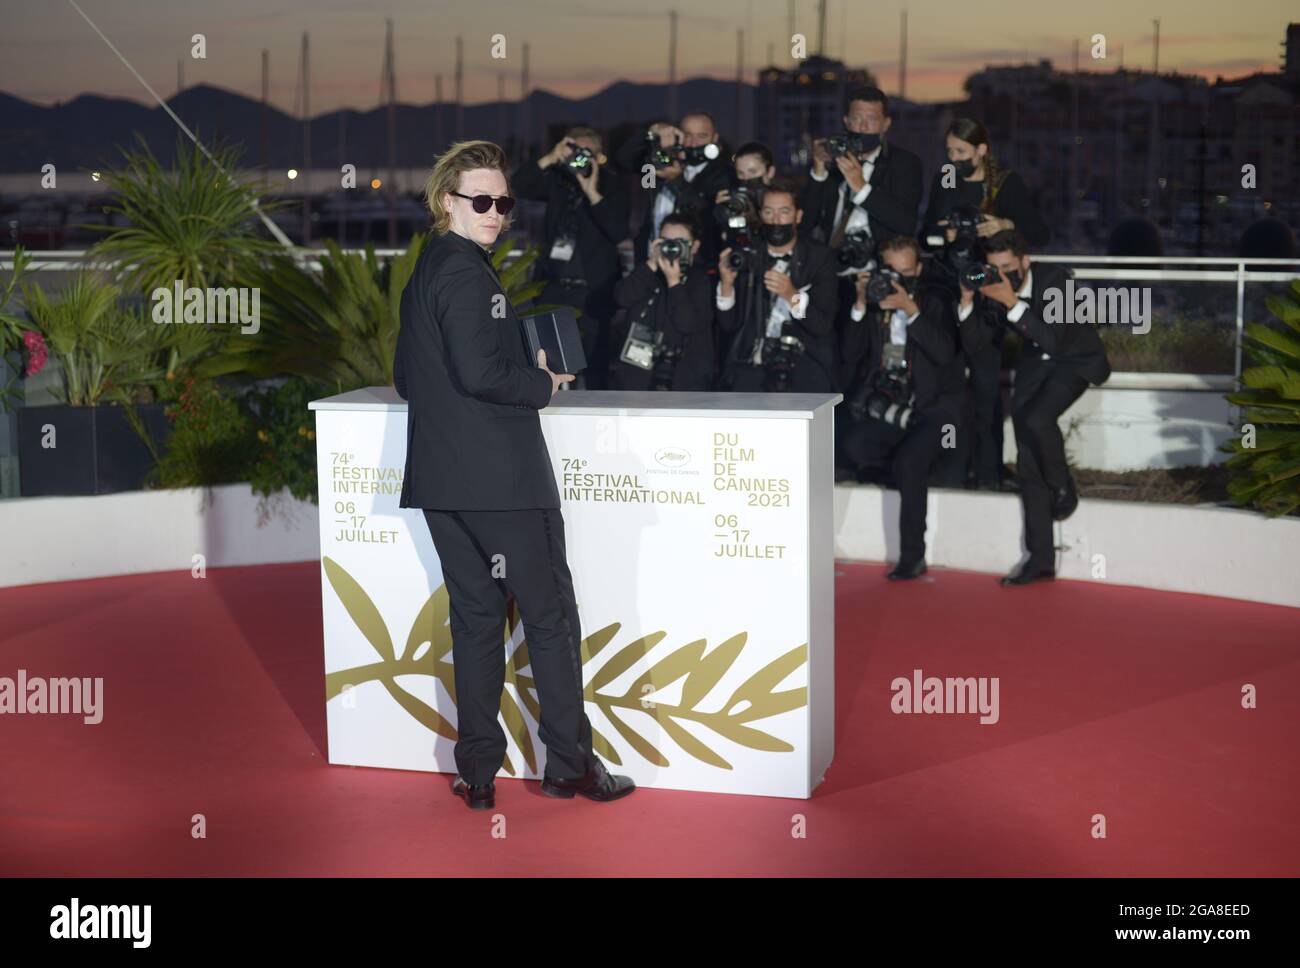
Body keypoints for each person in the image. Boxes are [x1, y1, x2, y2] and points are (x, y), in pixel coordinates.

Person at [392, 140, 635, 808]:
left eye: (503, 201)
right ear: (448, 201)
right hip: (502, 486)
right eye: (481, 200)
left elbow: (407, 379)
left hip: (444, 486)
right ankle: (570, 767)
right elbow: (482, 375)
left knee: (475, 623)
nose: (496, 212)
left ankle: (477, 773)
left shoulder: (424, 272)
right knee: (550, 618)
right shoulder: (467, 273)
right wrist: (544, 383)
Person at [957, 230, 1111, 586]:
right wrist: (967, 301)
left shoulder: (1057, 278)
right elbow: (975, 343)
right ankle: (1039, 560)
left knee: (1038, 418)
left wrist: (1012, 303)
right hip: (1036, 365)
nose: (1003, 274)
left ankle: (1063, 487)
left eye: (1009, 266)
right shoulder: (991, 285)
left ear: (1025, 261)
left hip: (1074, 360)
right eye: (995, 267)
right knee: (1027, 455)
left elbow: (1055, 338)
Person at [924, 118, 1051, 490]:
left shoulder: (1005, 183)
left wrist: (1004, 225)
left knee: (985, 389)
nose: (953, 159)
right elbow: (925, 231)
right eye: (949, 151)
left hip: (988, 296)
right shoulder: (946, 178)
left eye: (961, 152)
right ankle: (951, 468)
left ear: (981, 150)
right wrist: (943, 232)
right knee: (948, 387)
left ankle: (989, 474)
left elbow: (1039, 233)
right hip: (948, 290)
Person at [838, 236, 965, 579]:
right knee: (853, 445)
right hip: (891, 408)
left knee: (910, 464)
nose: (896, 282)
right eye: (891, 273)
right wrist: (862, 303)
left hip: (935, 410)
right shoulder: (874, 304)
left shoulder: (936, 301)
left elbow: (944, 354)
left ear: (919, 270)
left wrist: (911, 310)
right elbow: (850, 355)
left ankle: (913, 556)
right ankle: (904, 468)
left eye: (906, 273)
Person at [511, 126, 630, 389]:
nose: (580, 157)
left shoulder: (613, 183)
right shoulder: (558, 180)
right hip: (554, 288)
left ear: (599, 155)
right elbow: (517, 186)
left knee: (595, 367)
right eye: (574, 150)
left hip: (594, 293)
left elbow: (618, 230)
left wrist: (592, 192)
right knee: (548, 363)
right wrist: (551, 157)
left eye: (587, 152)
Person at [715, 176, 839, 393]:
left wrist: (792, 296)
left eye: (784, 212)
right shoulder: (748, 254)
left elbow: (822, 325)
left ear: (797, 216)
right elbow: (728, 325)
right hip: (752, 365)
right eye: (769, 212)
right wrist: (726, 285)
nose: (776, 220)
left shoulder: (819, 258)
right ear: (760, 214)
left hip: (802, 365)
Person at [801, 86, 923, 256]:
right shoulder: (833, 158)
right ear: (846, 121)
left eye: (871, 120)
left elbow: (906, 224)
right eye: (857, 119)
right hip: (831, 264)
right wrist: (818, 172)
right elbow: (805, 222)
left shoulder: (905, 163)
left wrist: (862, 188)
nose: (863, 127)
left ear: (886, 124)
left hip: (878, 263)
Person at [609, 212, 715, 391]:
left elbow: (687, 323)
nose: (671, 248)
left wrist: (674, 283)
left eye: (678, 242)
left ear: (694, 246)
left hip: (682, 379)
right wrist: (651, 263)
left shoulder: (701, 280)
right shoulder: (648, 273)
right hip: (637, 376)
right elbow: (622, 298)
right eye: (666, 241)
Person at [619, 111, 732, 269]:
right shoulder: (658, 166)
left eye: (702, 136)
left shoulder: (723, 174)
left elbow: (705, 214)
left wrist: (676, 180)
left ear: (714, 138)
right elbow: (625, 158)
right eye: (687, 135)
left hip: (695, 266)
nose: (693, 144)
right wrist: (652, 133)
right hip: (651, 260)